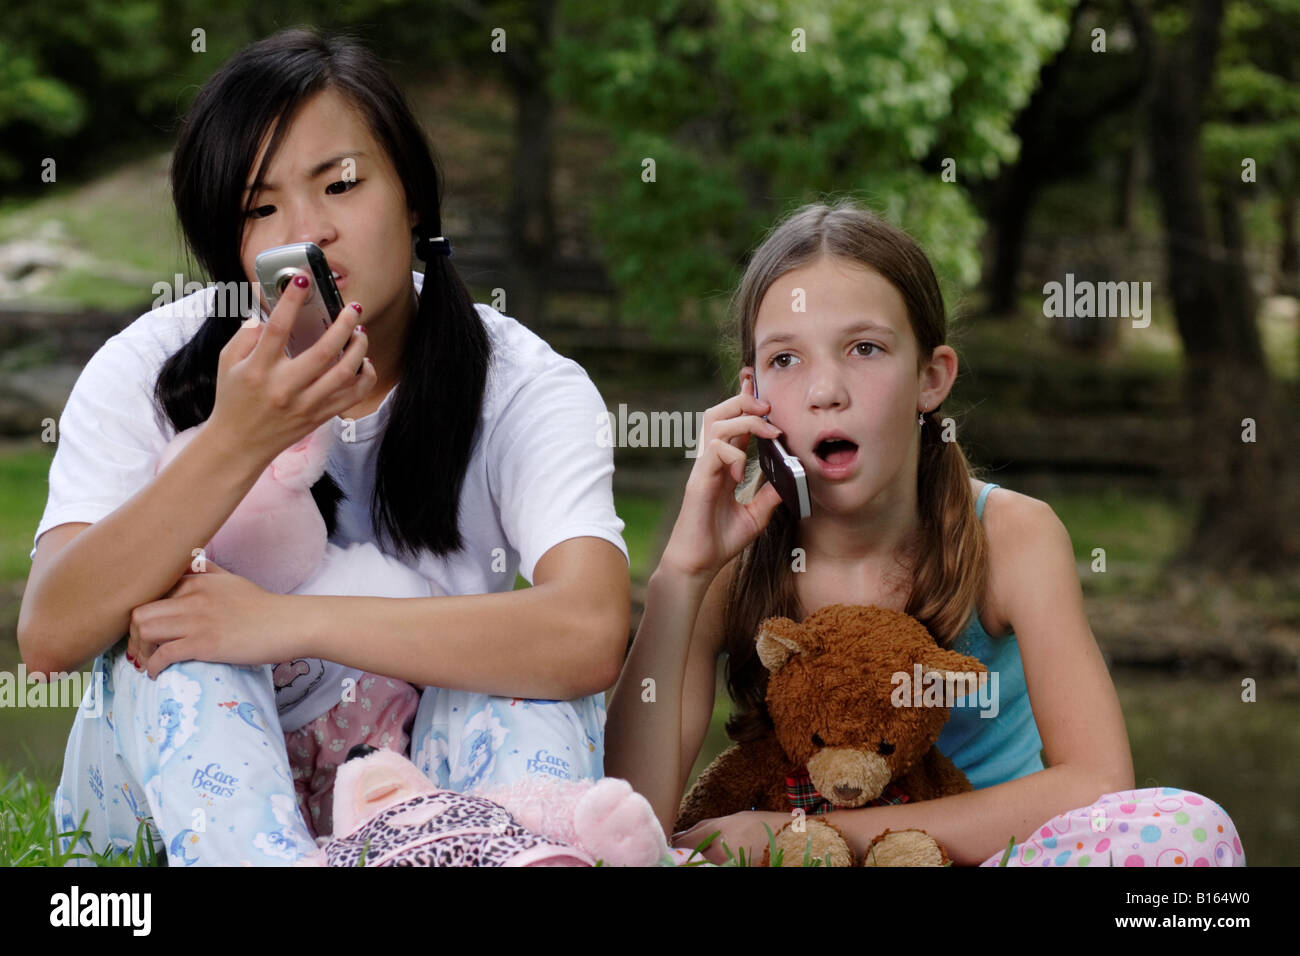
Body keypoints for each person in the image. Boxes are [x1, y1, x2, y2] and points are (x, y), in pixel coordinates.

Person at [18, 28, 629, 865]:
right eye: (261, 209)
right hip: (178, 799)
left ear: (413, 196)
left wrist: (278, 622)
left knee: (519, 679)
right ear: (230, 246)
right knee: (181, 648)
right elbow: (50, 633)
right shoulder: (146, 367)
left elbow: (589, 629)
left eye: (341, 184)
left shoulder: (522, 383)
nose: (309, 234)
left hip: (406, 790)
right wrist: (238, 440)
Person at [605, 200, 1245, 867]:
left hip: (979, 859)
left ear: (931, 377)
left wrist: (808, 840)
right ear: (751, 392)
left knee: (1187, 827)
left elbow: (1099, 784)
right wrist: (680, 575)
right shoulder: (729, 563)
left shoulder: (1012, 535)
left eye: (864, 349)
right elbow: (629, 817)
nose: (826, 389)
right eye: (787, 359)